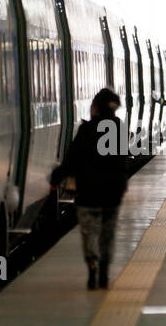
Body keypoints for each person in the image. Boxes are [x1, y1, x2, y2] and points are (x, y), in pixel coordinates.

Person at [50, 89, 129, 290]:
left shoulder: (87, 130)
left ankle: (92, 263)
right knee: (108, 234)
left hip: (88, 193)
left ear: (95, 107)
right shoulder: (119, 129)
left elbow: (72, 159)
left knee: (89, 232)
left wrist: (56, 178)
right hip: (112, 193)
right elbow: (122, 162)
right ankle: (104, 269)